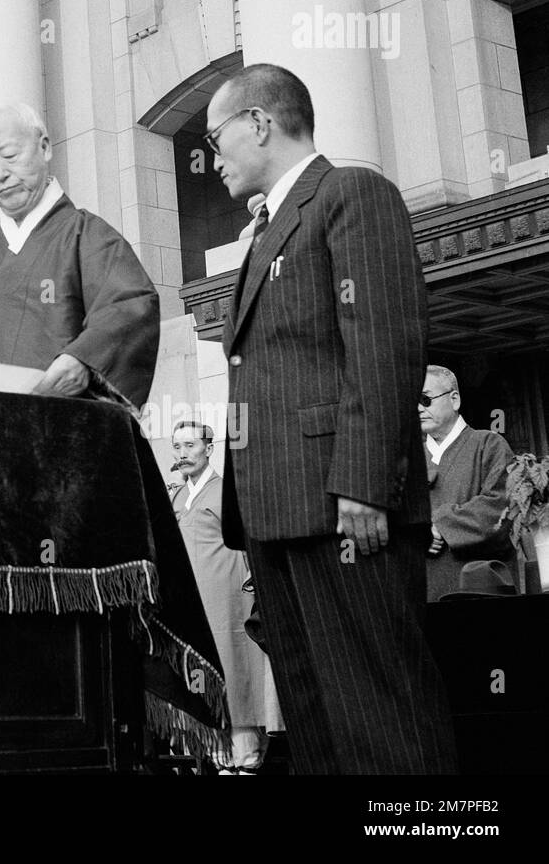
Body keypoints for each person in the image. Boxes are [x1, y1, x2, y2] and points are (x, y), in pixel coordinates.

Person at [207, 63, 455, 775]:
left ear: (260, 122)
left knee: (384, 720)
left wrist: (365, 484)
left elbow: (383, 344)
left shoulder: (351, 193)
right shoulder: (263, 233)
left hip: (344, 510)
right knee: (319, 729)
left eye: (216, 135)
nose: (213, 155)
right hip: (276, 518)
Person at [0, 102, 159, 406]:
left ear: (44, 147)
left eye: (10, 156)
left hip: (57, 423)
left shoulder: (86, 235)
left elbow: (130, 305)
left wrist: (83, 360)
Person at [169, 421, 271, 774]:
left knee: (235, 669)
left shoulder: (227, 492)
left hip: (227, 600)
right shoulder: (177, 495)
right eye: (177, 446)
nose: (182, 453)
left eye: (189, 445)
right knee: (200, 672)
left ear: (209, 449)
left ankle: (245, 757)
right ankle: (213, 756)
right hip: (191, 603)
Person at [419, 364, 516, 601]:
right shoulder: (411, 459)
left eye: (425, 399)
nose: (419, 408)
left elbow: (501, 508)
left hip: (479, 587)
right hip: (423, 588)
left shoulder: (489, 444)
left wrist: (441, 524)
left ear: (454, 399)